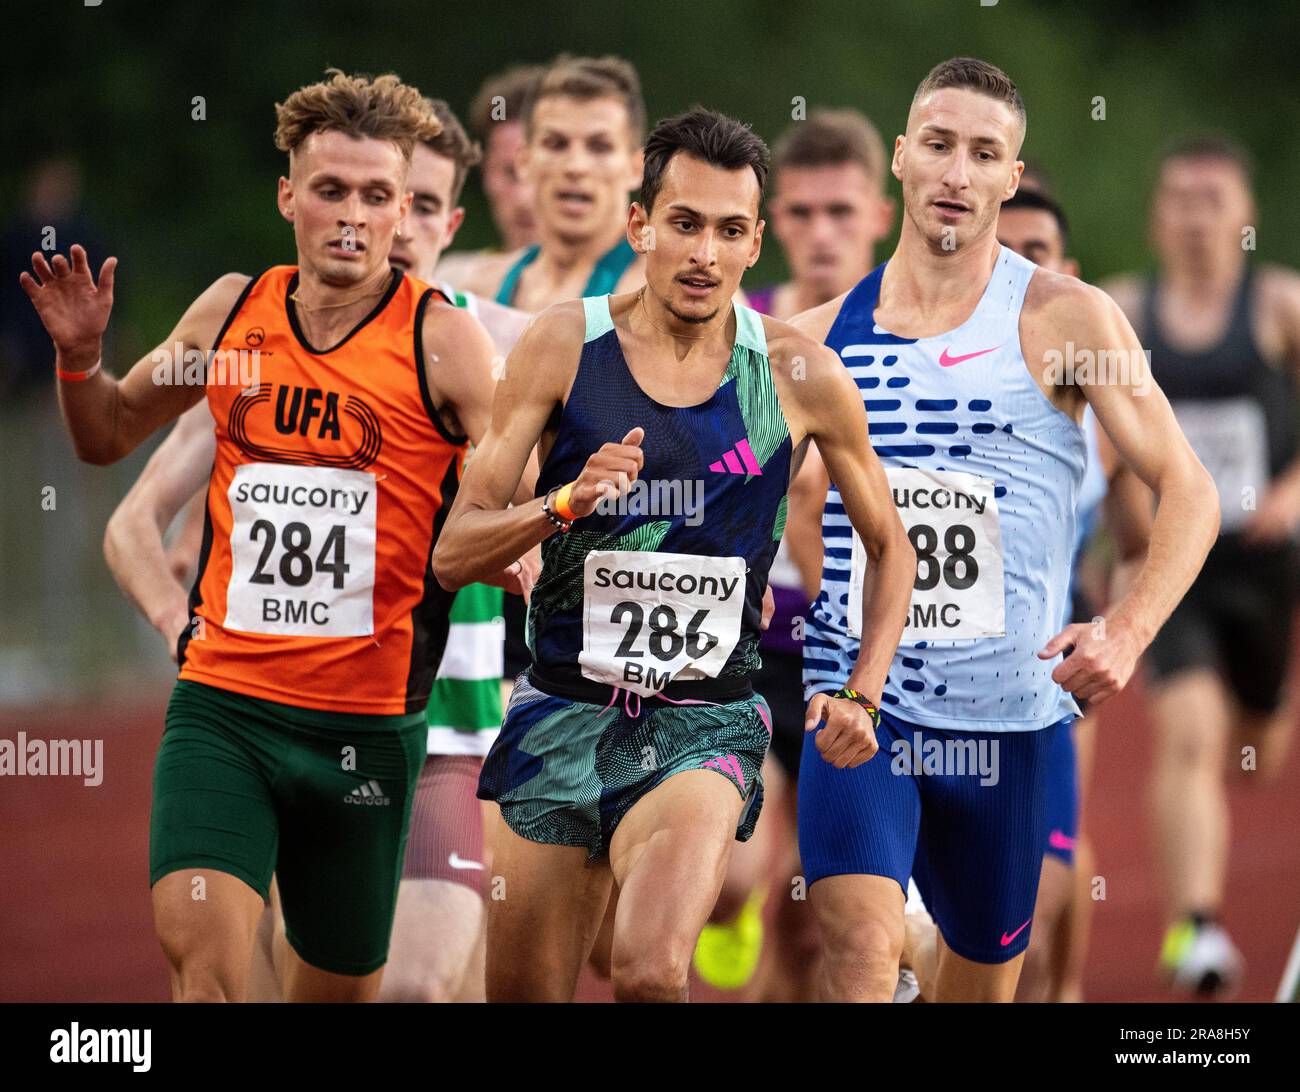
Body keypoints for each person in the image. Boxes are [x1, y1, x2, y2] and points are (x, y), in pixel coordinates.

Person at [21, 70, 522, 1002]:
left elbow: (510, 491)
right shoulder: (233, 314)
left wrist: (536, 536)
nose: (352, 216)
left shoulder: (442, 343)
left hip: (368, 734)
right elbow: (106, 436)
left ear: (404, 208)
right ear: (289, 194)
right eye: (330, 190)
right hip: (226, 711)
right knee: (206, 976)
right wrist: (80, 358)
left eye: (377, 197)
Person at [431, 106, 915, 1003]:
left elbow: (892, 546)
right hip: (564, 707)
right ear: (640, 226)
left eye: (729, 231)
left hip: (706, 720)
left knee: (651, 972)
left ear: (755, 243)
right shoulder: (563, 346)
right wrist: (563, 504)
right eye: (684, 224)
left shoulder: (798, 374)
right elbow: (457, 551)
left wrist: (865, 689)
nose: (704, 253)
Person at [791, 56, 1218, 1002]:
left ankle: (926, 946)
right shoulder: (818, 339)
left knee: (981, 987)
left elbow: (1190, 490)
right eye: (938, 145)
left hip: (1006, 720)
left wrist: (1128, 629)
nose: (956, 172)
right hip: (863, 703)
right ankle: (891, 935)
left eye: (984, 154)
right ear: (901, 158)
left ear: (1010, 178)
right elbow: (749, 494)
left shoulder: (1066, 320)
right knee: (857, 950)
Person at [694, 108, 895, 1000]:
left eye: (841, 213)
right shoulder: (739, 332)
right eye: (803, 214)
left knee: (818, 923)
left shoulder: (910, 338)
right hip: (753, 648)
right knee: (739, 875)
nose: (822, 235)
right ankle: (733, 910)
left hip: (865, 652)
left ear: (881, 215)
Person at [1103, 135, 1300, 995]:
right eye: (1179, 200)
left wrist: (1294, 492)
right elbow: (1081, 427)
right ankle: (1199, 935)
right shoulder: (1121, 311)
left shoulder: (1280, 306)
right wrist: (1121, 499)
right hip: (1169, 564)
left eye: (1213, 201)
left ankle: (1264, 706)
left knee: (1257, 742)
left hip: (1262, 563)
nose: (1195, 219)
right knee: (1187, 738)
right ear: (1157, 214)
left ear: (1245, 215)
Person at [997, 187, 1153, 1002]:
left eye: (1039, 253)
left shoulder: (1102, 415)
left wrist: (1115, 624)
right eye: (1005, 248)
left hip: (1054, 671)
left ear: (1070, 272)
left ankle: (1062, 989)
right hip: (934, 673)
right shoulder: (936, 378)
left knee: (1049, 872)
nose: (1021, 268)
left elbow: (1139, 546)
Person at [435, 63, 544, 287]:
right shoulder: (449, 282)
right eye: (509, 173)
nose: (524, 198)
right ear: (485, 172)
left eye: (540, 174)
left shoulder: (628, 287)